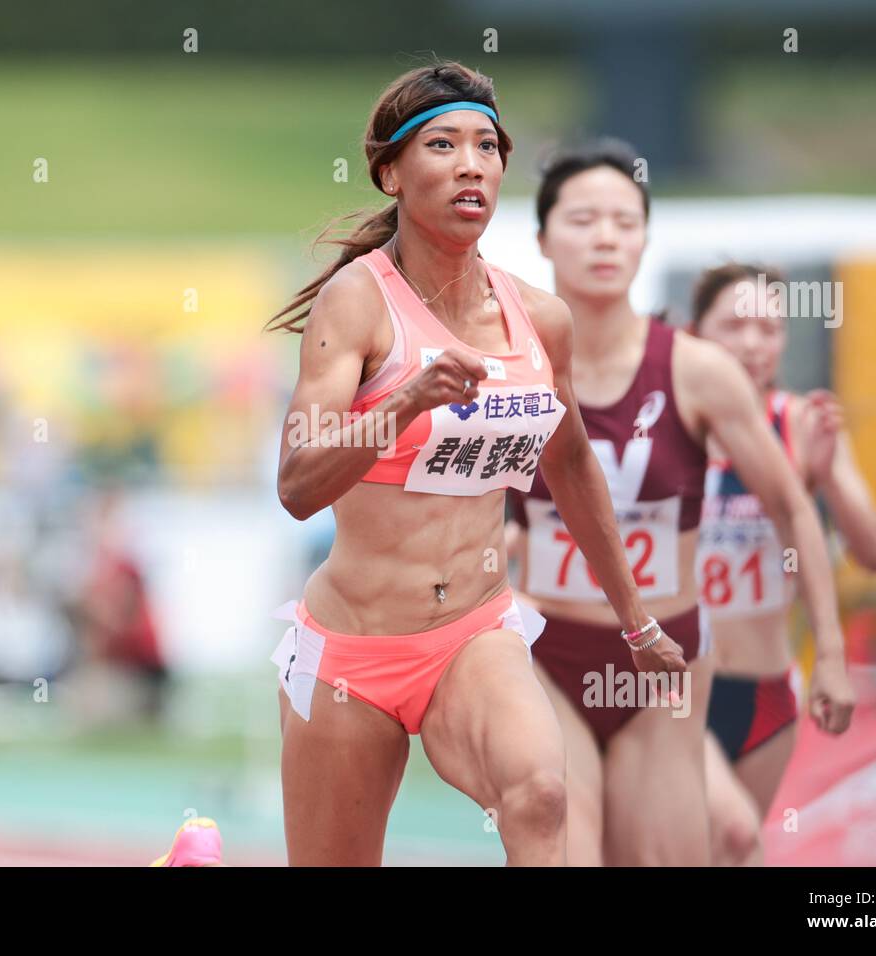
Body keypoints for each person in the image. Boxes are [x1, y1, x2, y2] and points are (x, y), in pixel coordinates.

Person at [265, 63, 683, 866]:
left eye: (487, 147)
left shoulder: (541, 318)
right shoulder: (357, 302)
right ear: (390, 171)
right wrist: (406, 400)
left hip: (472, 632)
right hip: (353, 649)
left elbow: (573, 466)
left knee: (541, 795)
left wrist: (638, 620)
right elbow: (296, 484)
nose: (471, 164)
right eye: (443, 144)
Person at [504, 140, 856, 865]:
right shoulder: (506, 367)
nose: (606, 237)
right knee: (563, 846)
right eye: (583, 219)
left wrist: (832, 655)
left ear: (645, 239)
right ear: (541, 237)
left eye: (625, 221)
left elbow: (794, 510)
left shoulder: (699, 373)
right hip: (548, 655)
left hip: (663, 663)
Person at [690, 262, 876, 865]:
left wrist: (824, 472)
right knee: (731, 837)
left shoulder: (801, 421)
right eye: (735, 325)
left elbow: (873, 551)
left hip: (768, 691)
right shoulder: (670, 422)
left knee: (733, 850)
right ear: (697, 334)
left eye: (769, 329)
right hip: (678, 690)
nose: (752, 343)